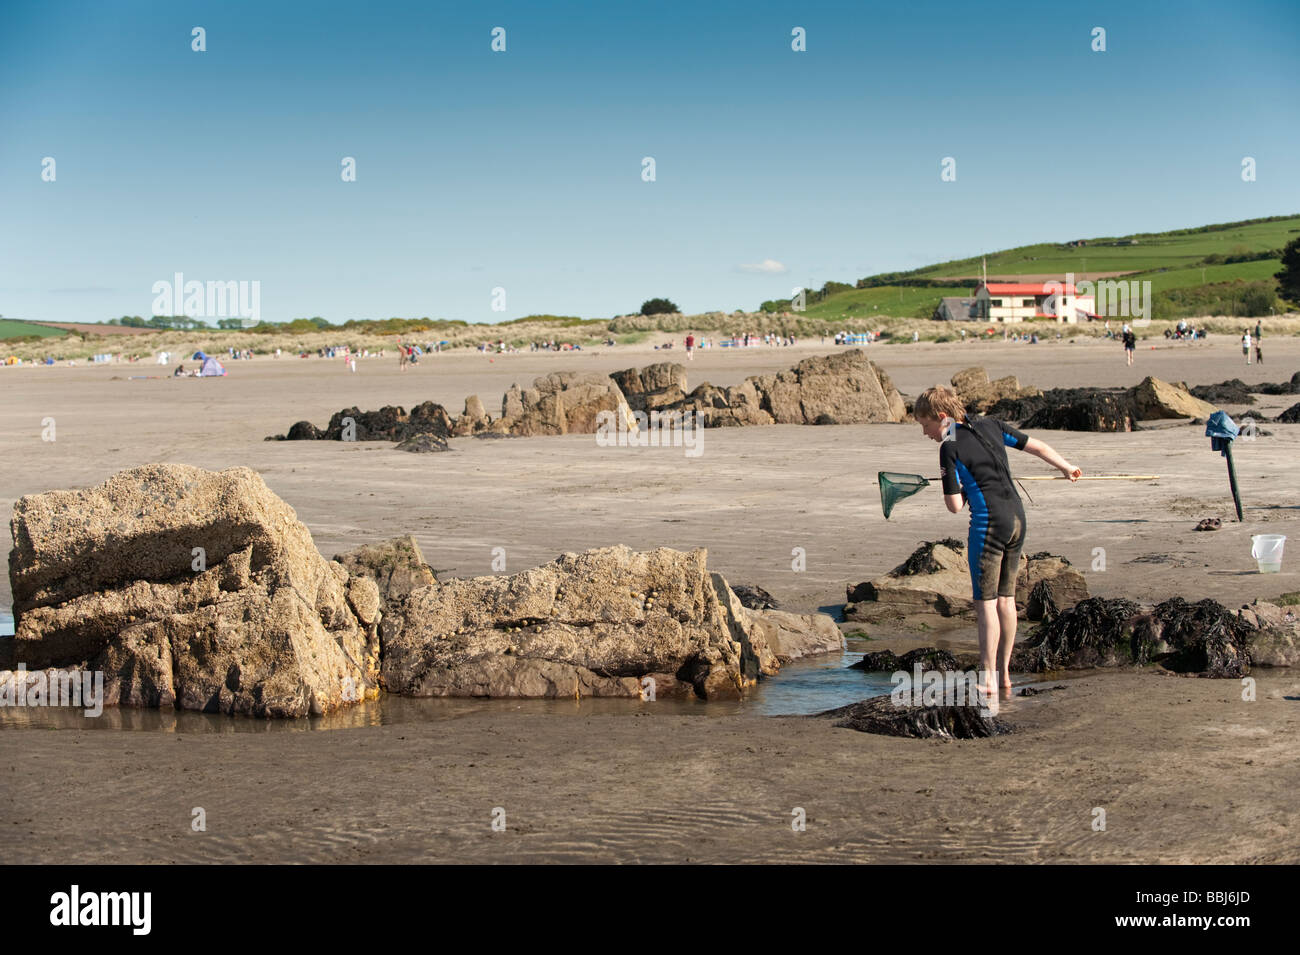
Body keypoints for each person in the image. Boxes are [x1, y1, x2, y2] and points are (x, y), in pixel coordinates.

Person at [915, 386, 1081, 701]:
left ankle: (988, 676)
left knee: (986, 604)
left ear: (942, 417)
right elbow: (1037, 446)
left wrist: (959, 488)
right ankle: (1004, 675)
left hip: (989, 525)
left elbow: (954, 506)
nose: (925, 433)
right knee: (1006, 600)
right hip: (1017, 519)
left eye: (926, 425)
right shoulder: (990, 425)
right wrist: (1066, 467)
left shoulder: (949, 445)